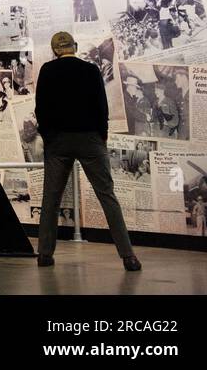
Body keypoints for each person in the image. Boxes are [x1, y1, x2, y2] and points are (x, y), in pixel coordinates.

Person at [34, 31, 141, 271]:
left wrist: (50, 138)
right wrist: (100, 136)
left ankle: (45, 254)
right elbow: (101, 107)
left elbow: (41, 109)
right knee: (107, 197)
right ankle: (128, 257)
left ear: (54, 51)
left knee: (51, 200)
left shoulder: (48, 71)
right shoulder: (91, 70)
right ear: (75, 46)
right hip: (90, 140)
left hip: (58, 142)